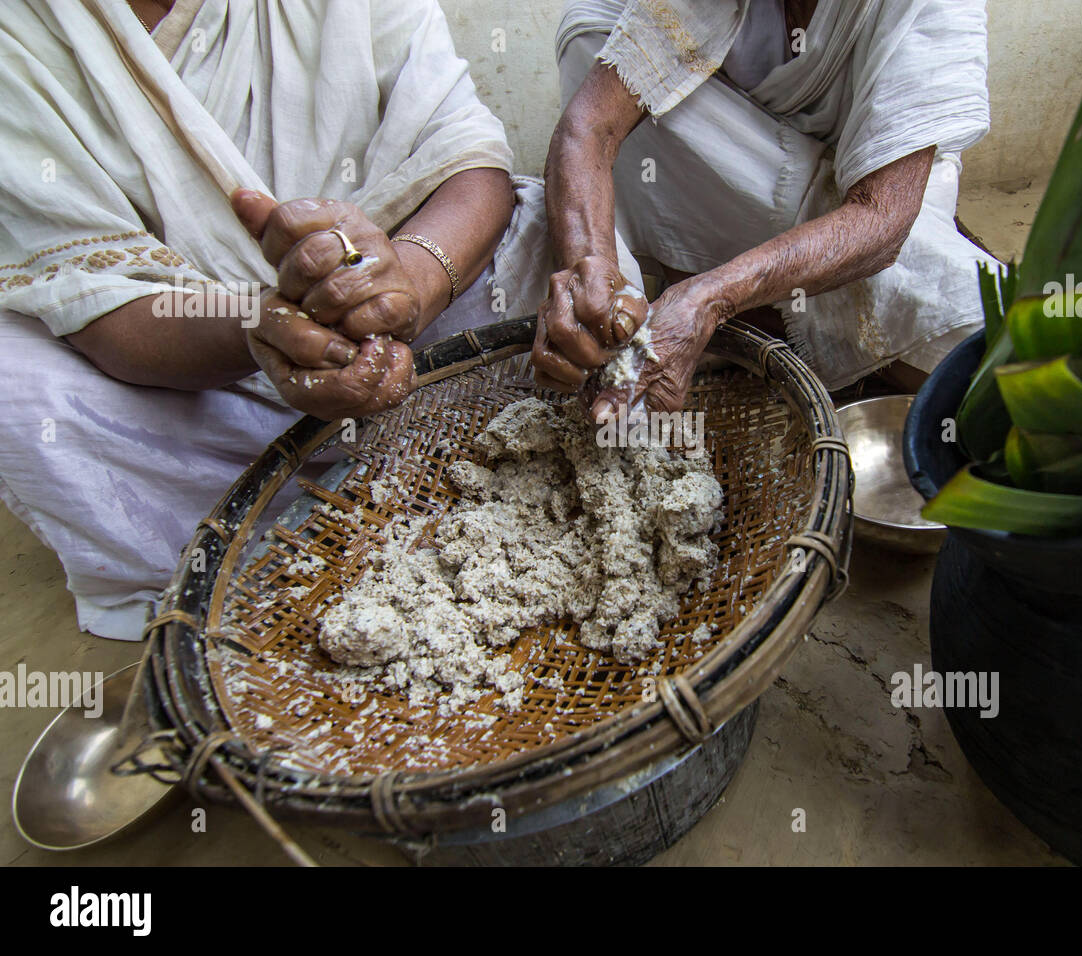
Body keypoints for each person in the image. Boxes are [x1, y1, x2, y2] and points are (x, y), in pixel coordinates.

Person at [0, 0, 632, 640]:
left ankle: (430, 474)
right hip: (213, 384)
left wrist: (398, 291)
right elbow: (100, 302)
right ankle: (278, 551)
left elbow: (468, 159)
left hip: (428, 329)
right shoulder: (20, 35)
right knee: (19, 389)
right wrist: (262, 329)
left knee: (558, 254)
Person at [533, 0, 999, 418]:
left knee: (987, 356)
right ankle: (746, 308)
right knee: (590, 36)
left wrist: (709, 299)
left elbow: (881, 217)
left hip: (877, 177)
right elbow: (590, 125)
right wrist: (586, 262)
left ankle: (743, 309)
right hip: (736, 147)